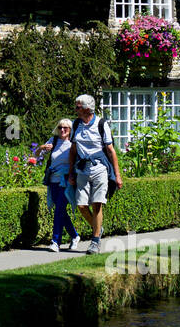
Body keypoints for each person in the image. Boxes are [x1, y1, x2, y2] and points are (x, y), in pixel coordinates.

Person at [68, 94, 123, 255]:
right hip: (82, 169)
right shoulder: (76, 124)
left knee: (97, 203)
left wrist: (118, 175)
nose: (75, 109)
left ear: (86, 108)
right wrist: (71, 172)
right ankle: (97, 228)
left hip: (99, 168)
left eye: (78, 107)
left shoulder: (101, 124)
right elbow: (73, 150)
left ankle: (95, 241)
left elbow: (111, 150)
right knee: (81, 205)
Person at [37, 118, 82, 253]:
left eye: (66, 128)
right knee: (60, 210)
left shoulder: (73, 143)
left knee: (59, 209)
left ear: (70, 130)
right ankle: (75, 236)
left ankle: (55, 241)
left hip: (67, 181)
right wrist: (42, 148)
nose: (62, 130)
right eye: (60, 127)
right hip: (53, 180)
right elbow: (36, 155)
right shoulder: (53, 141)